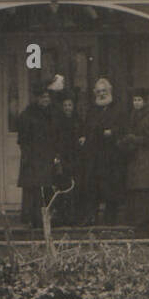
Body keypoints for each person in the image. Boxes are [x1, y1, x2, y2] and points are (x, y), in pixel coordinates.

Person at [78, 77, 126, 225]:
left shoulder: (118, 109)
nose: (102, 94)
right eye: (98, 91)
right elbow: (86, 127)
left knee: (111, 188)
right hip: (94, 156)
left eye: (104, 91)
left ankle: (110, 220)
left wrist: (113, 132)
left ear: (110, 91)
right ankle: (91, 218)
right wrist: (84, 137)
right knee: (92, 187)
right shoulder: (92, 111)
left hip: (111, 156)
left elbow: (124, 128)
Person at [120, 87, 149, 230]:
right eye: (134, 100)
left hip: (147, 158)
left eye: (139, 100)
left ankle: (148, 221)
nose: (136, 103)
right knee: (137, 190)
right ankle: (138, 221)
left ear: (144, 101)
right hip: (135, 157)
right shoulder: (133, 116)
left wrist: (136, 139)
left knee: (145, 189)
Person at [15, 82, 56, 229]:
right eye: (43, 97)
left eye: (48, 97)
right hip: (32, 158)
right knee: (32, 189)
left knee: (44, 189)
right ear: (37, 98)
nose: (46, 100)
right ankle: (31, 220)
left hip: (46, 157)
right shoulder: (28, 115)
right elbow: (23, 140)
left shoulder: (50, 114)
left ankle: (43, 220)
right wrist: (28, 155)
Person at [50, 86, 80, 226]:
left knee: (74, 187)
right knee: (62, 187)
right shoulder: (58, 122)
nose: (68, 108)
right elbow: (54, 140)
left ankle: (73, 217)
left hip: (75, 157)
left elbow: (82, 135)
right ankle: (61, 217)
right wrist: (56, 157)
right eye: (65, 105)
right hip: (62, 158)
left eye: (70, 105)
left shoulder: (77, 120)